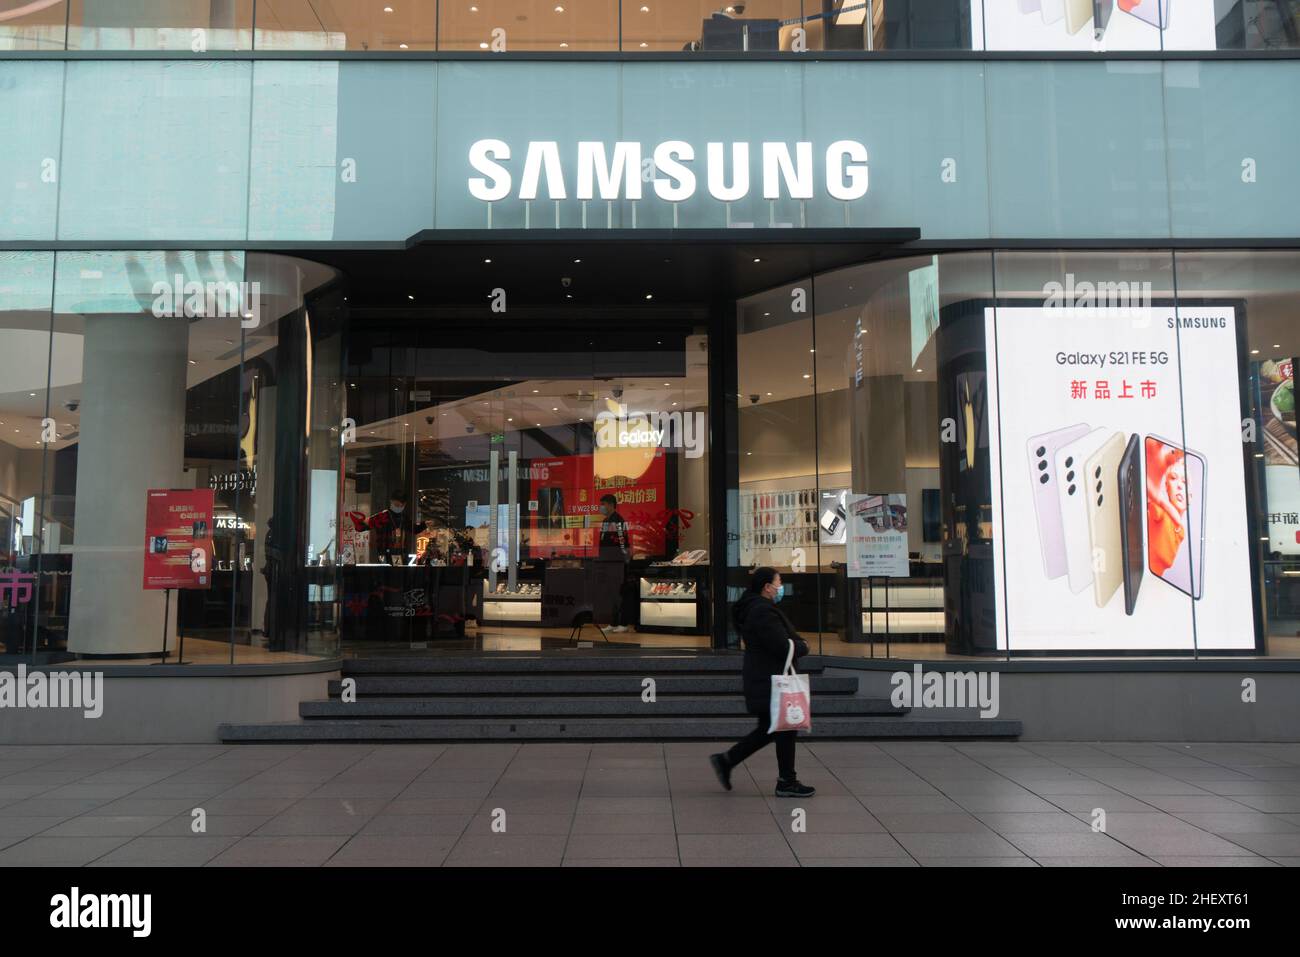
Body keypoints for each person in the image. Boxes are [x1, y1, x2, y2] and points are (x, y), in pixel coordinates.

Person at [710, 566, 815, 798]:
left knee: (772, 729)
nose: (780, 587)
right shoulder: (762, 611)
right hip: (771, 681)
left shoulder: (755, 607)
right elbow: (780, 645)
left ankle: (728, 761)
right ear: (767, 587)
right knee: (783, 728)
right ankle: (786, 781)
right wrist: (803, 646)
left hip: (764, 678)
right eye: (778, 583)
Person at [596, 493, 634, 633]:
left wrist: (624, 559)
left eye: (603, 504)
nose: (601, 507)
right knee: (611, 593)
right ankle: (613, 622)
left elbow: (623, 541)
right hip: (607, 561)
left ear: (611, 504)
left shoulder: (618, 520)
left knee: (620, 592)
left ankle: (623, 623)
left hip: (617, 562)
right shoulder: (606, 521)